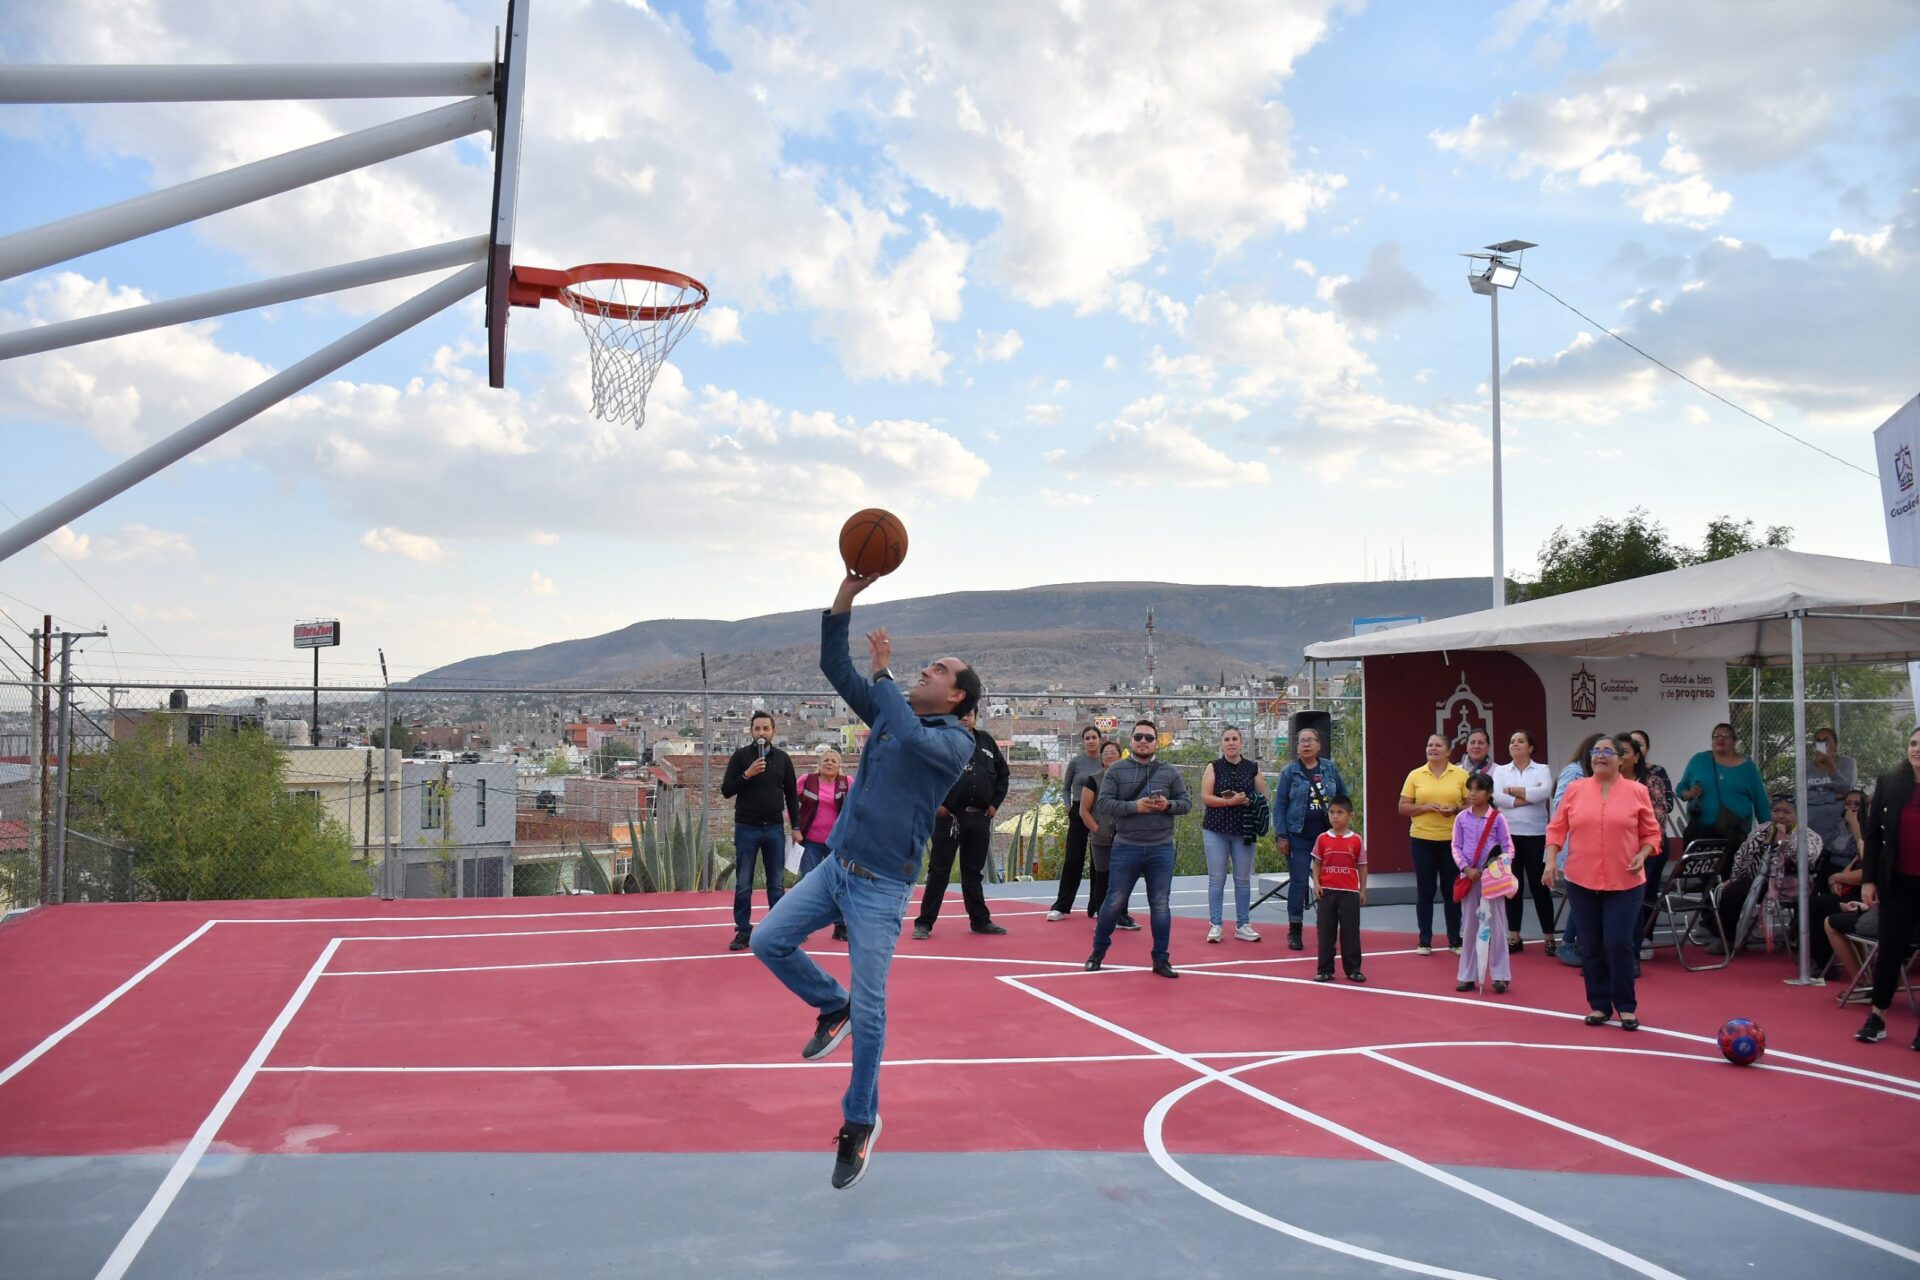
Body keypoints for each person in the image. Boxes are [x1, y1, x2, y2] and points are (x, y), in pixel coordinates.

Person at [750, 573, 979, 1189]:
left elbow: (906, 732)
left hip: (880, 888)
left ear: (956, 697)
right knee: (767, 940)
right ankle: (831, 1004)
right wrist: (846, 594)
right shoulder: (888, 708)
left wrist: (882, 674)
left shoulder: (956, 742)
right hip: (834, 869)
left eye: (937, 670)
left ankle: (859, 1122)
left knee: (875, 1012)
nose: (924, 671)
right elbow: (834, 665)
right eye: (925, 666)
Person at [1545, 734, 1660, 1031]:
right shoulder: (1575, 789)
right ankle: (1599, 1005)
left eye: (1608, 751)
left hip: (1626, 881)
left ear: (1622, 759)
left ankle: (1626, 1006)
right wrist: (1550, 861)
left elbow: (1652, 834)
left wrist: (1644, 853)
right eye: (1596, 751)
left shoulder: (1637, 792)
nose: (1600, 755)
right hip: (1582, 880)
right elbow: (1556, 829)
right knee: (1592, 945)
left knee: (1618, 943)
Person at [1088, 719, 1190, 977]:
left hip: (1161, 848)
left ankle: (1161, 960)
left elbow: (1186, 803)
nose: (1143, 742)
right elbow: (1104, 805)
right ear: (1131, 741)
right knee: (1113, 902)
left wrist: (1167, 805)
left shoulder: (1170, 771)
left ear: (1157, 742)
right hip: (1126, 846)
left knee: (1160, 904)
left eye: (1149, 738)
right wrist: (1136, 807)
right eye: (1139, 737)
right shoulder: (1116, 770)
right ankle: (1097, 952)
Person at [913, 708, 1009, 939]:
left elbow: (1003, 774)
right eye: (960, 715)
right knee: (939, 871)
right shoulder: (941, 740)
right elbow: (924, 775)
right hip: (949, 818)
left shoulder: (986, 741)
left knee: (973, 872)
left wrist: (995, 804)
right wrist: (937, 804)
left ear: (975, 716)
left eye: (969, 714)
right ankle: (924, 923)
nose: (965, 718)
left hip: (980, 817)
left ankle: (980, 921)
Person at [1855, 727, 1920, 1047]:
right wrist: (1868, 880)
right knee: (1891, 948)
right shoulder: (1891, 783)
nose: (1916, 749)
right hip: (1897, 882)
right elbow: (1874, 836)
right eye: (1913, 743)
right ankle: (1877, 1017)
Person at [721, 711, 801, 952]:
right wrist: (747, 774)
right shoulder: (740, 757)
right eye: (757, 729)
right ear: (751, 731)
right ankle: (743, 931)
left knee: (776, 883)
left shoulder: (783, 759)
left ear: (773, 732)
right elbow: (726, 790)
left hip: (774, 829)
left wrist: (796, 827)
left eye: (766, 729)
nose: (762, 733)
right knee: (744, 883)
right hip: (747, 828)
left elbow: (792, 795)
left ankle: (776, 931)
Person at [1703, 795, 1822, 955]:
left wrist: (1785, 842)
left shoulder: (1808, 835)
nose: (1780, 815)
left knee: (1810, 899)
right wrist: (1735, 877)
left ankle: (1798, 938)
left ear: (1797, 814)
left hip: (1793, 884)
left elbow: (1808, 859)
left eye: (1786, 812)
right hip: (1761, 880)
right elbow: (1742, 856)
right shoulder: (1762, 830)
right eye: (1776, 811)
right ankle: (1730, 940)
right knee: (1731, 891)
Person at [1398, 734, 1469, 955]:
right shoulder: (1415, 775)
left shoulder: (1461, 774)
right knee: (1425, 890)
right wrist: (1425, 807)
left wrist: (1455, 810)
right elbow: (1402, 807)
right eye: (1429, 745)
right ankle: (1425, 940)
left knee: (1452, 892)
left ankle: (1455, 940)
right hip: (1422, 839)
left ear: (1448, 751)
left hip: (1452, 841)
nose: (1433, 749)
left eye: (1438, 745)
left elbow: (1471, 803)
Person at [1276, 727, 1344, 951]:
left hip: (1327, 837)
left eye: (1310, 740)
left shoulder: (1329, 768)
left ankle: (1326, 928)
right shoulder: (1290, 772)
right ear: (1296, 747)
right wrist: (1282, 835)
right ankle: (1295, 930)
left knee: (1327, 883)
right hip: (1299, 837)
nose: (1305, 744)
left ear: (1318, 745)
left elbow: (1343, 798)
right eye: (1301, 741)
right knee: (1298, 883)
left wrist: (1342, 825)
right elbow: (1280, 805)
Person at [1201, 727, 1270, 944]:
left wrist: (1250, 800)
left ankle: (1243, 924)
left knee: (1242, 879)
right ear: (1221, 744)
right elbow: (1205, 797)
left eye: (1235, 739)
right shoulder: (1213, 766)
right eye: (1227, 739)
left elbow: (1264, 795)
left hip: (1244, 829)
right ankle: (1216, 925)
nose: (1231, 743)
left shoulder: (1252, 768)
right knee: (1217, 879)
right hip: (1216, 828)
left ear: (1241, 743)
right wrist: (1228, 802)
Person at [1491, 730, 1552, 954]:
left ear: (1530, 747)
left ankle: (1548, 936)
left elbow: (1543, 793)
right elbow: (1498, 798)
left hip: (1536, 835)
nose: (1515, 744)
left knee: (1540, 887)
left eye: (1520, 741)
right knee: (1512, 887)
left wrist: (1514, 793)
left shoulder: (1542, 769)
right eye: (1511, 741)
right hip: (1509, 836)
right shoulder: (1500, 771)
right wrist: (1527, 797)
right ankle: (1514, 936)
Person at [1452, 774, 1513, 993]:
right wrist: (1466, 869)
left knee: (1496, 925)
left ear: (1488, 793)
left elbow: (1508, 848)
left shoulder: (1498, 819)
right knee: (1469, 926)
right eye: (1470, 790)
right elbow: (1456, 847)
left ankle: (1500, 975)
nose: (1473, 794)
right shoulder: (1461, 818)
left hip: (1492, 880)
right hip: (1469, 878)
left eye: (1478, 790)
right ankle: (1467, 975)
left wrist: (1495, 870)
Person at [1550, 733, 1606, 964]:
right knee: (1582, 893)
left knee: (1588, 893)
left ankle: (1580, 942)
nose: (1601, 757)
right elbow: (1560, 805)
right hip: (1575, 844)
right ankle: (1568, 943)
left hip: (1592, 846)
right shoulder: (1575, 771)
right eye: (1598, 751)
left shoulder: (1603, 777)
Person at [1617, 733, 1670, 959]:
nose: (1618, 756)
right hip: (1612, 851)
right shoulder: (1603, 781)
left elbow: (1658, 822)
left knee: (1634, 902)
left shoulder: (1651, 781)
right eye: (1615, 751)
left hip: (1642, 852)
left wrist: (1642, 849)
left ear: (1637, 757)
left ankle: (1633, 952)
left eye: (1625, 752)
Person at [1078, 740, 1139, 933]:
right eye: (1106, 754)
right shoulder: (1094, 779)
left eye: (1114, 753)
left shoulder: (1129, 779)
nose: (1110, 756)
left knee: (1123, 878)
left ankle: (1123, 915)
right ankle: (1103, 916)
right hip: (1101, 839)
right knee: (1102, 878)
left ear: (1121, 756)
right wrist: (1096, 829)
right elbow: (1084, 811)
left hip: (1125, 838)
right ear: (1101, 759)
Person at [1049, 725, 1109, 921]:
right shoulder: (1076, 762)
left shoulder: (1106, 762)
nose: (1091, 741)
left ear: (1100, 739)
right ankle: (1061, 906)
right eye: (1087, 738)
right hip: (1078, 811)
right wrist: (1068, 807)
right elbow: (1065, 788)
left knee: (1098, 861)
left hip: (1099, 812)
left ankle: (1097, 905)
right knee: (1073, 859)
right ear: (1083, 741)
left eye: (1094, 737)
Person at [1677, 723, 1769, 847]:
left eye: (1726, 735)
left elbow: (1761, 802)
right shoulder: (1699, 760)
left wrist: (1770, 831)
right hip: (1701, 833)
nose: (1720, 739)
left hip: (1735, 833)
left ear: (1734, 742)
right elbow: (1681, 788)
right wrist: (1690, 793)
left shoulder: (1747, 768)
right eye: (1716, 736)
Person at [796, 749, 852, 940]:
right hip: (810, 841)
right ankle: (803, 928)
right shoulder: (807, 780)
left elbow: (857, 806)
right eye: (826, 760)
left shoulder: (847, 783)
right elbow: (790, 799)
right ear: (819, 764)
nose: (829, 763)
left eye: (833, 761)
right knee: (808, 885)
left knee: (837, 884)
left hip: (836, 844)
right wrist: (794, 824)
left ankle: (839, 926)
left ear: (839, 766)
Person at [1312, 794, 1367, 983]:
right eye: (1332, 812)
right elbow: (1317, 863)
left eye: (1340, 813)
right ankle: (1325, 969)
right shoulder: (1322, 839)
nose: (1335, 816)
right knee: (1326, 932)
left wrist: (1362, 889)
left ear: (1350, 815)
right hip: (1327, 891)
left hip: (1349, 892)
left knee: (1350, 931)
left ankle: (1353, 969)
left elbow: (1362, 866)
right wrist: (1317, 884)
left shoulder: (1357, 840)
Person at [1806, 727, 1858, 870]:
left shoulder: (1847, 763)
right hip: (1811, 822)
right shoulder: (1807, 767)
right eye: (1818, 741)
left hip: (1835, 825)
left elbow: (1846, 790)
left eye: (1826, 740)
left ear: (1835, 744)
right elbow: (1803, 795)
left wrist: (1831, 766)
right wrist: (1831, 795)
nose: (1822, 744)